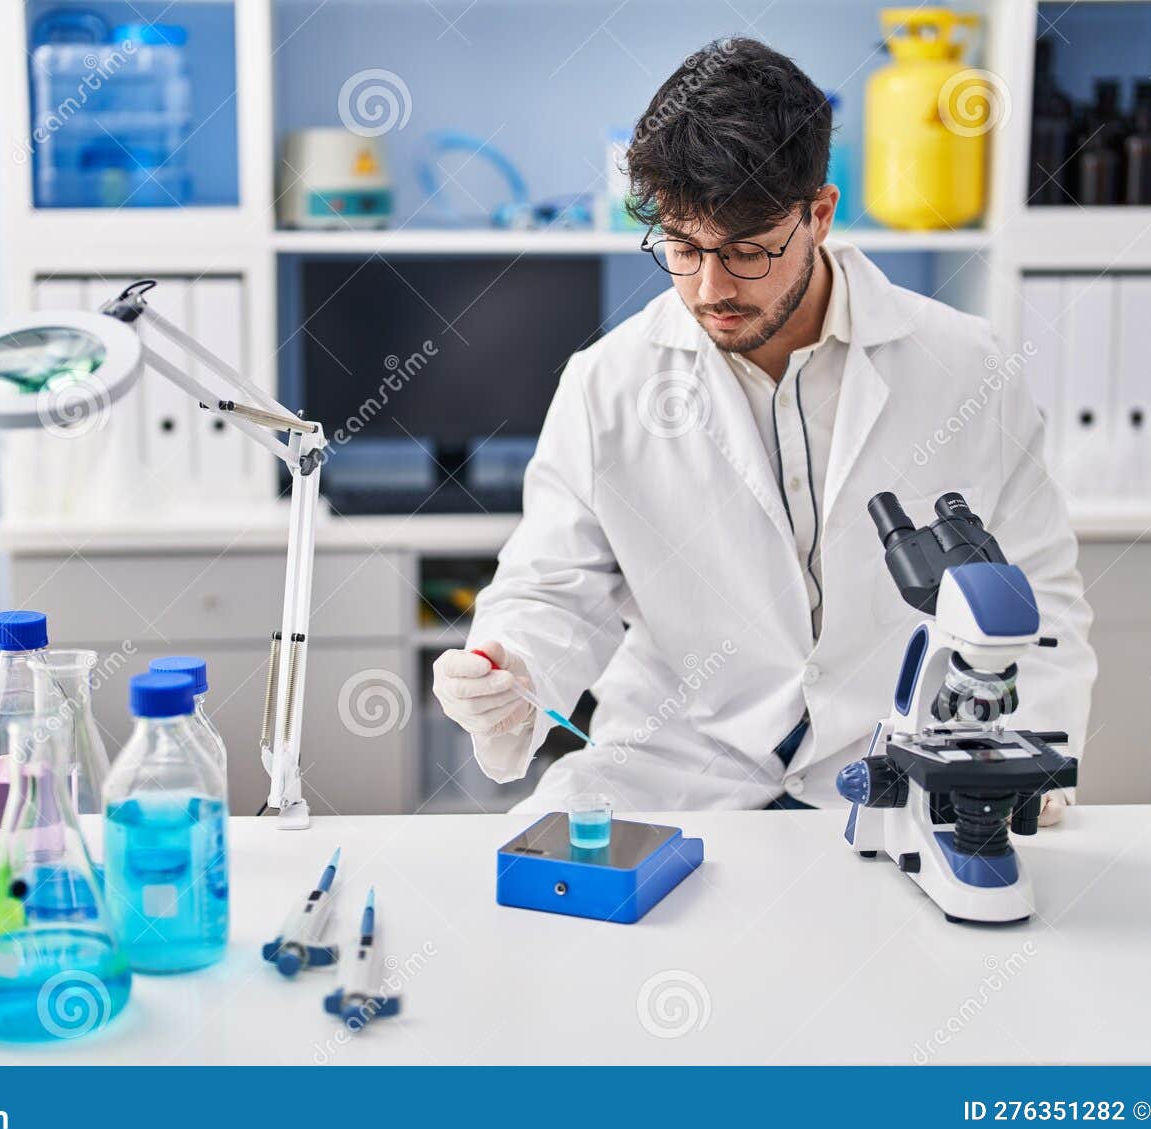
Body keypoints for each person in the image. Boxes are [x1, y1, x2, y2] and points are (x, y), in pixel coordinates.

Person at [432, 38, 1095, 818]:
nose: (709, 288)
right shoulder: (607, 383)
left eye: (746, 252)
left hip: (898, 761)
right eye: (680, 248)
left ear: (818, 214)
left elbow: (1039, 594)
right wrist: (511, 667)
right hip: (673, 767)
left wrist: (1027, 759)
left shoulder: (964, 367)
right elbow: (553, 589)